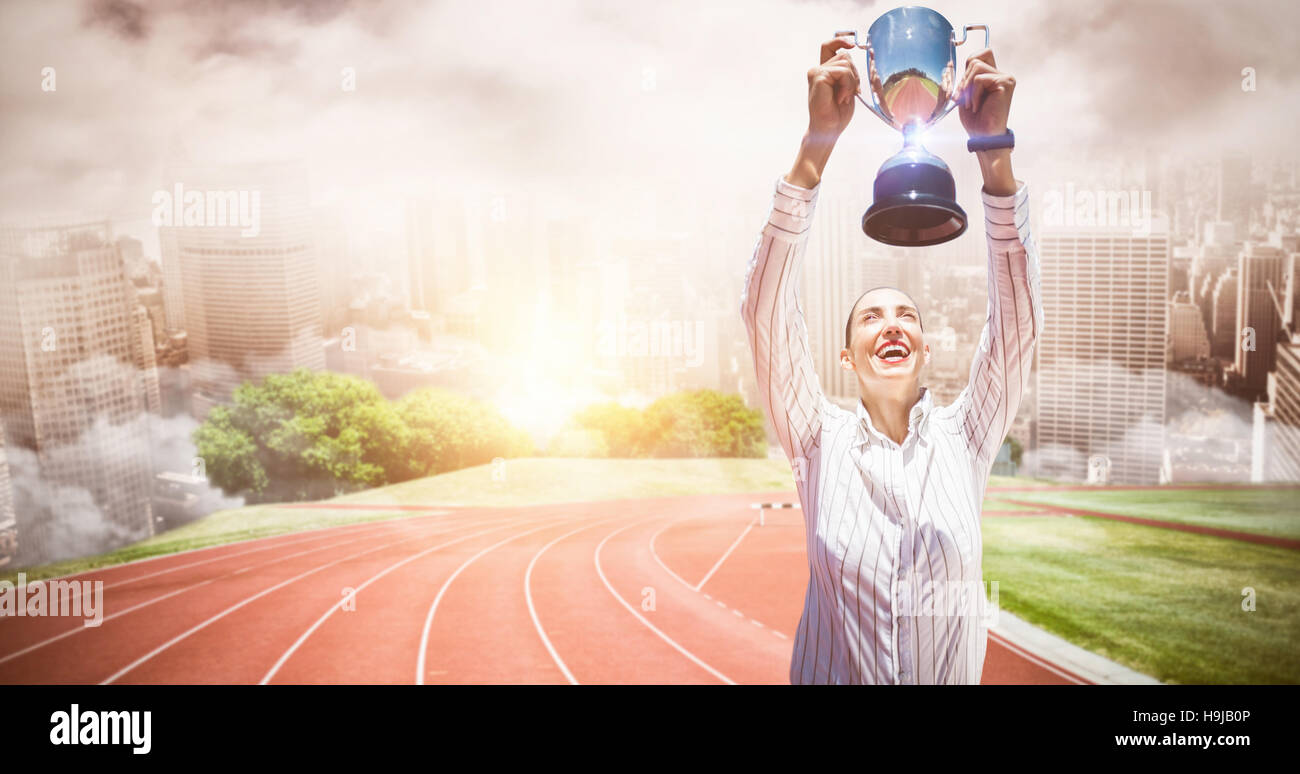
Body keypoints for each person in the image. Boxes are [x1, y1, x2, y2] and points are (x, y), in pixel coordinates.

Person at [739, 38, 1042, 684]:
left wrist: (994, 153)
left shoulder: (968, 439)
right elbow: (765, 316)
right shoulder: (817, 439)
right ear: (847, 357)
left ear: (926, 348)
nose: (892, 323)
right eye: (871, 316)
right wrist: (815, 147)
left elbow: (1017, 327)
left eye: (906, 314)